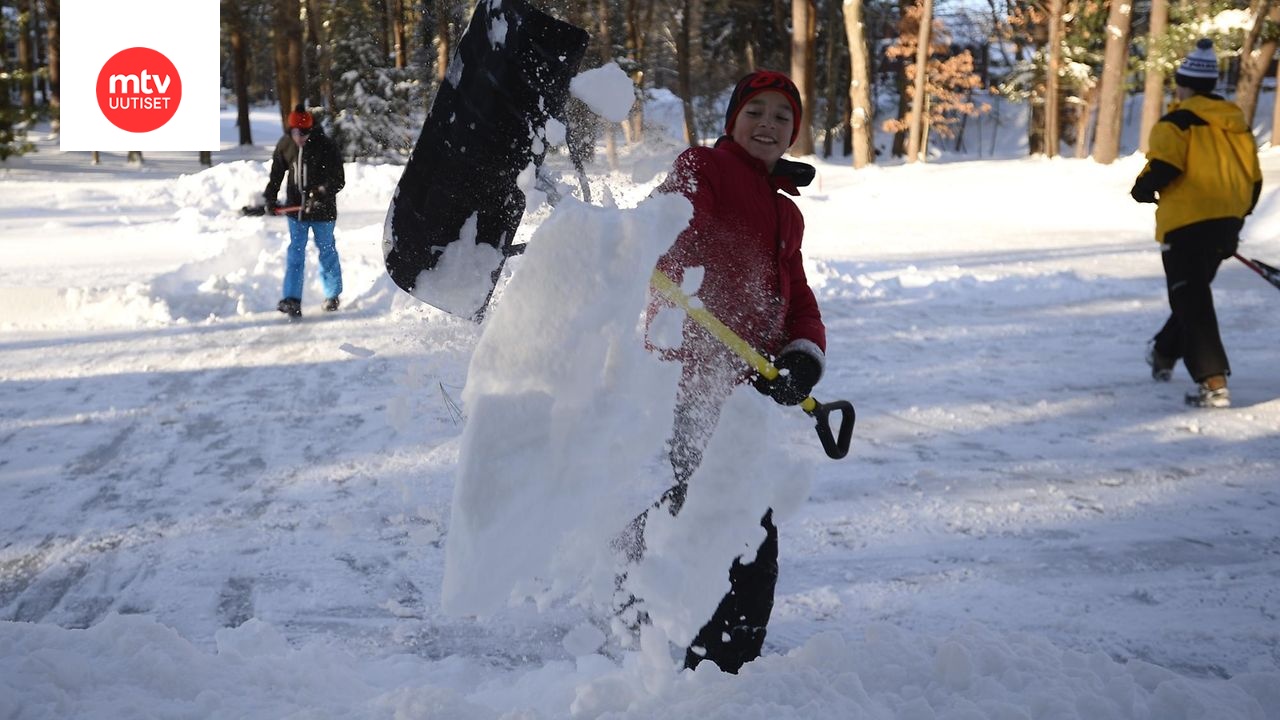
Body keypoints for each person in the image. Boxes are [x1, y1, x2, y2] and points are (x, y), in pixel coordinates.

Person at [625, 69, 826, 674]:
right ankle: (710, 661)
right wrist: (666, 242)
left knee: (723, 505)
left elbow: (798, 294)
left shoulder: (785, 213)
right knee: (729, 514)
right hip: (691, 377)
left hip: (746, 390)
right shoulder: (703, 168)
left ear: (794, 132)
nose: (768, 124)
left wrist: (800, 356)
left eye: (781, 116)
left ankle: (644, 590)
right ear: (733, 120)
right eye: (755, 112)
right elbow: (672, 231)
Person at [1131, 39, 1261, 408]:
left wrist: (1142, 189)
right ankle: (1163, 351)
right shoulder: (1236, 124)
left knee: (1192, 300)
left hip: (1187, 223)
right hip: (1226, 223)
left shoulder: (1177, 123)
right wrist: (1236, 218)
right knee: (1192, 295)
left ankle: (1213, 382)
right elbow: (1254, 180)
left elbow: (1166, 166)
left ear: (1184, 84)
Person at [264, 104, 346, 318]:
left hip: (323, 212)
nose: (299, 138)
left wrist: (320, 192)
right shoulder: (285, 145)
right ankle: (292, 299)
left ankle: (332, 294)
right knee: (295, 253)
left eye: (303, 133)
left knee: (326, 251)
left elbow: (338, 179)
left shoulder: (326, 146)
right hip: (296, 212)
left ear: (311, 130)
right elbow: (276, 175)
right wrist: (270, 199)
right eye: (295, 133)